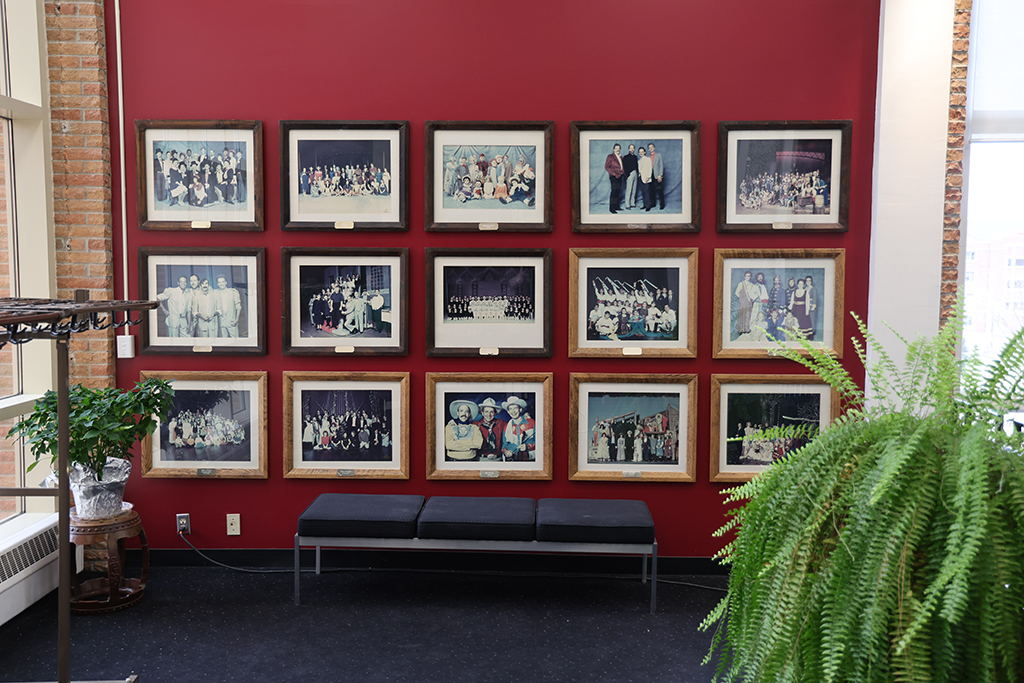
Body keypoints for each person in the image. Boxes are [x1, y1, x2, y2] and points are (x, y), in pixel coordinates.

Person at [501, 396, 535, 461]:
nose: (513, 411)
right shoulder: (506, 426)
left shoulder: (531, 422)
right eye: (510, 409)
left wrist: (528, 446)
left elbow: (541, 442)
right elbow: (504, 445)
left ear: (520, 409)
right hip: (513, 460)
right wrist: (505, 452)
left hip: (529, 459)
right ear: (508, 411)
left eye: (515, 408)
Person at [734, 270, 756, 335]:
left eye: (748, 276)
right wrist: (742, 298)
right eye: (746, 276)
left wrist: (751, 299)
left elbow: (753, 294)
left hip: (749, 302)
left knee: (748, 315)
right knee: (742, 315)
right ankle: (741, 329)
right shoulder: (741, 283)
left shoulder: (752, 285)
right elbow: (736, 292)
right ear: (744, 276)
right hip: (742, 302)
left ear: (750, 277)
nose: (747, 277)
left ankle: (747, 329)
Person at [604, 143, 625, 213]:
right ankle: (612, 208)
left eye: (619, 148)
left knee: (618, 191)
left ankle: (617, 206)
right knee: (614, 192)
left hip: (620, 176)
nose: (618, 149)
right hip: (614, 177)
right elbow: (606, 166)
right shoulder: (610, 156)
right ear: (614, 149)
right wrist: (613, 173)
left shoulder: (621, 157)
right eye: (616, 148)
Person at [648, 143, 665, 211]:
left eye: (652, 147)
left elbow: (661, 165)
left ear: (654, 148)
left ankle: (662, 204)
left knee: (659, 190)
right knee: (652, 190)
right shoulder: (647, 156)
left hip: (657, 175)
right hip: (650, 175)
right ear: (648, 149)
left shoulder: (658, 155)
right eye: (649, 147)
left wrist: (660, 175)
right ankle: (653, 203)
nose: (651, 148)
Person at [622, 144, 639, 209]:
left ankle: (632, 203)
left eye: (633, 148)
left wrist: (637, 173)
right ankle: (627, 205)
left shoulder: (635, 157)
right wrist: (627, 175)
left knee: (634, 190)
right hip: (630, 174)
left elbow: (636, 166)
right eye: (630, 148)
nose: (632, 149)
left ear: (634, 149)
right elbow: (624, 167)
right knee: (629, 190)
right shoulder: (626, 157)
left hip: (635, 174)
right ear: (629, 149)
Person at [637, 146, 653, 210]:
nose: (641, 153)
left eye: (642, 152)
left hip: (646, 178)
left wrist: (648, 176)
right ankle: (644, 204)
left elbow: (650, 168)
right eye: (639, 152)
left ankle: (648, 206)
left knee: (647, 192)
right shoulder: (639, 161)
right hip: (640, 178)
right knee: (643, 192)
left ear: (645, 152)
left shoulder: (648, 159)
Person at [805, 275, 819, 340]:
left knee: (812, 320)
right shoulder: (805, 288)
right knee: (806, 321)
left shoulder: (813, 289)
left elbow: (815, 298)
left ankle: (812, 333)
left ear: (811, 282)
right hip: (806, 307)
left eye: (809, 281)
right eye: (807, 281)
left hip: (811, 307)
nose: (808, 282)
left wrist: (813, 306)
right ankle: (807, 333)